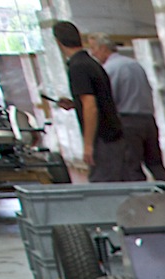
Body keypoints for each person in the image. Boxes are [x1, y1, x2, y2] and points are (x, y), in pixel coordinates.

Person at [43, 21, 131, 181]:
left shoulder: (78, 67)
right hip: (113, 134)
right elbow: (97, 99)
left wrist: (88, 145)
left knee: (104, 187)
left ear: (58, 42)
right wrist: (75, 104)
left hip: (103, 139)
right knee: (118, 183)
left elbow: (91, 107)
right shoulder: (91, 63)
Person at [89, 37, 165, 183]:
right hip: (148, 120)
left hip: (128, 122)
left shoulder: (109, 70)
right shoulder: (135, 65)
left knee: (131, 167)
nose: (93, 54)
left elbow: (108, 100)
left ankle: (141, 200)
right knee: (155, 163)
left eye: (93, 48)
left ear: (103, 48)